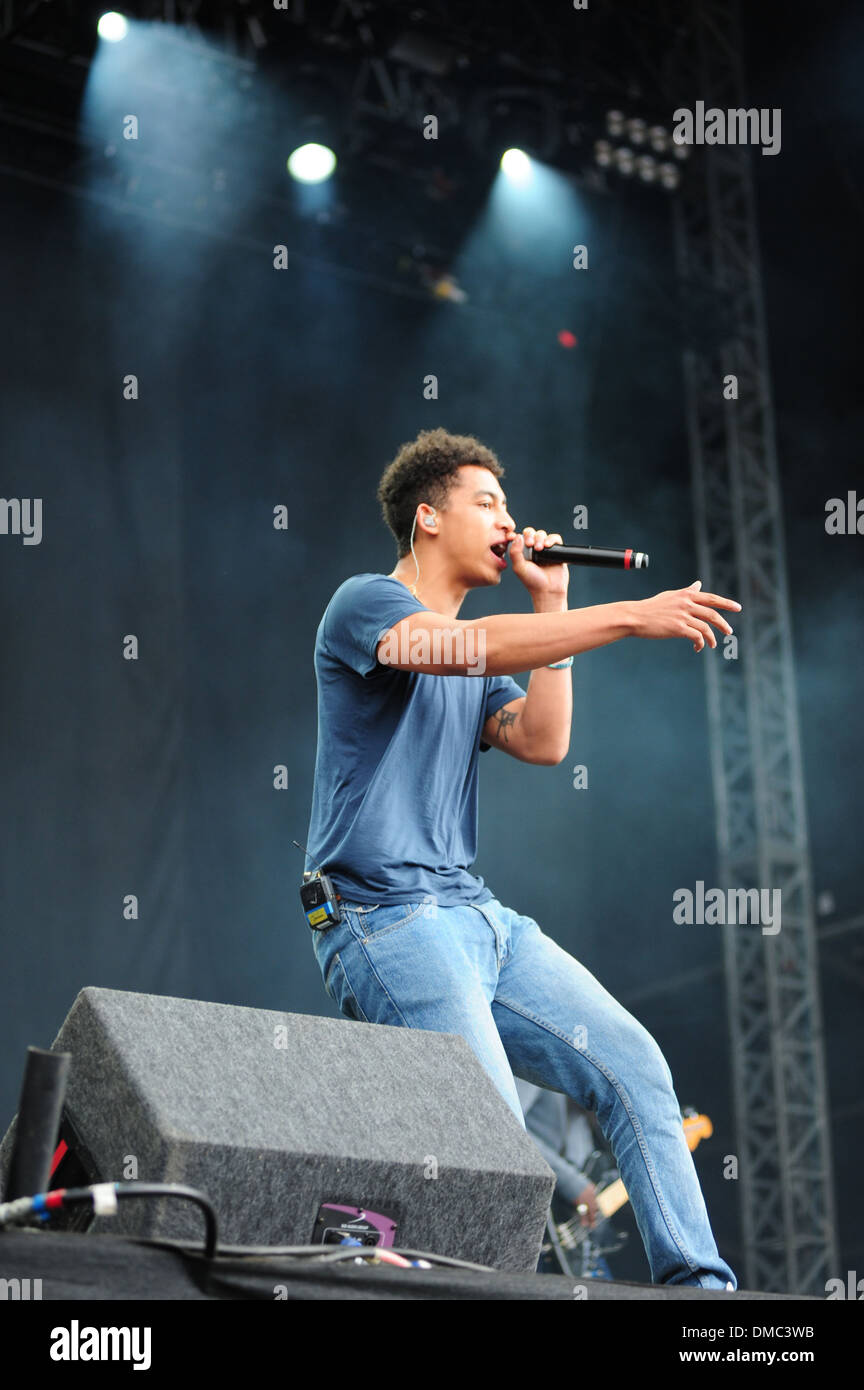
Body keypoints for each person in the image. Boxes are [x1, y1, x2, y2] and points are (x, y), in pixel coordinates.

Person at [305, 427, 739, 1289]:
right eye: (488, 503)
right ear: (428, 518)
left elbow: (543, 741)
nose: (510, 521)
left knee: (634, 1066)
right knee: (494, 1134)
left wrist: (556, 604)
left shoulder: (486, 653)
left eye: (509, 504)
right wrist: (628, 613)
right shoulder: (367, 607)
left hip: (478, 919)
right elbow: (465, 646)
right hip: (385, 918)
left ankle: (702, 1294)